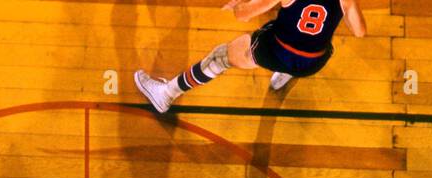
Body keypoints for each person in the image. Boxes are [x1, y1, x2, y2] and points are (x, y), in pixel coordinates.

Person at [134, 0, 367, 114]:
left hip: (276, 51)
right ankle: (284, 75)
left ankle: (166, 93)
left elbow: (243, 16)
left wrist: (240, 4)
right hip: (312, 62)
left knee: (220, 58)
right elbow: (359, 32)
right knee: (313, 40)